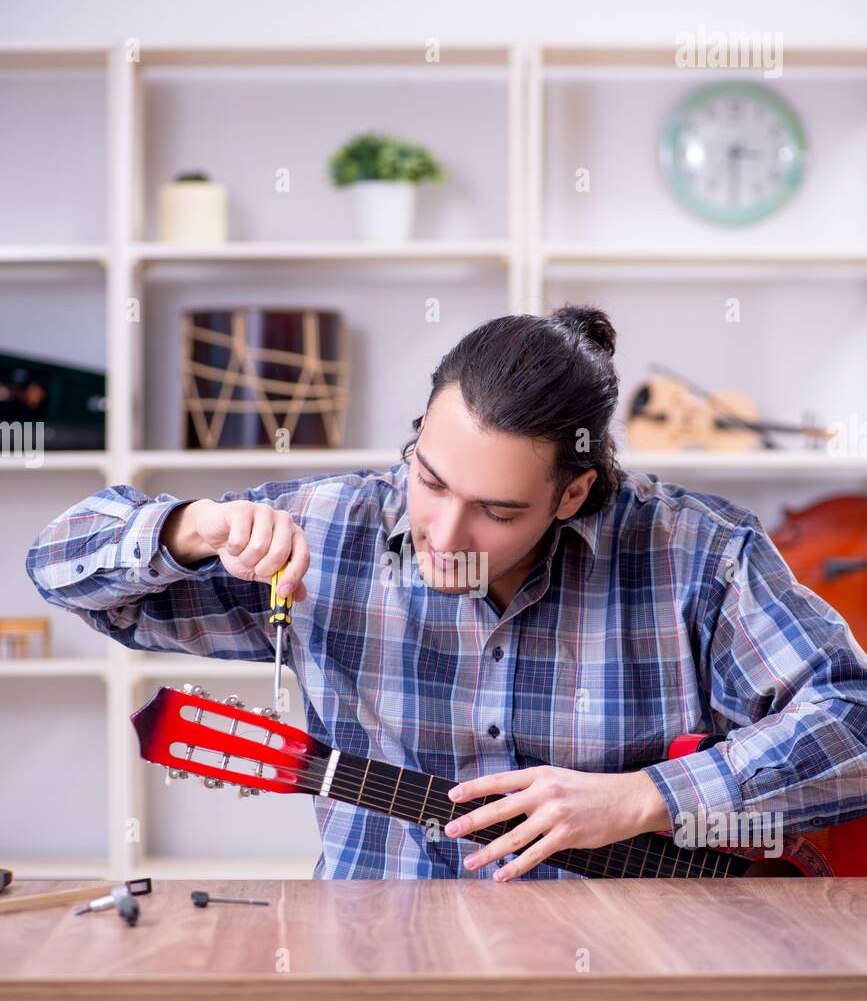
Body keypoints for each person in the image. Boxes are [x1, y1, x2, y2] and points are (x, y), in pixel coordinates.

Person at [25, 304, 867, 879]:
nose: (441, 531)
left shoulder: (696, 552)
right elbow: (63, 570)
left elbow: (850, 723)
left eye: (496, 511)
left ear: (571, 492)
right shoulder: (328, 530)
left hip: (642, 973)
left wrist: (643, 799)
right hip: (381, 962)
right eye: (427, 478)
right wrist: (187, 531)